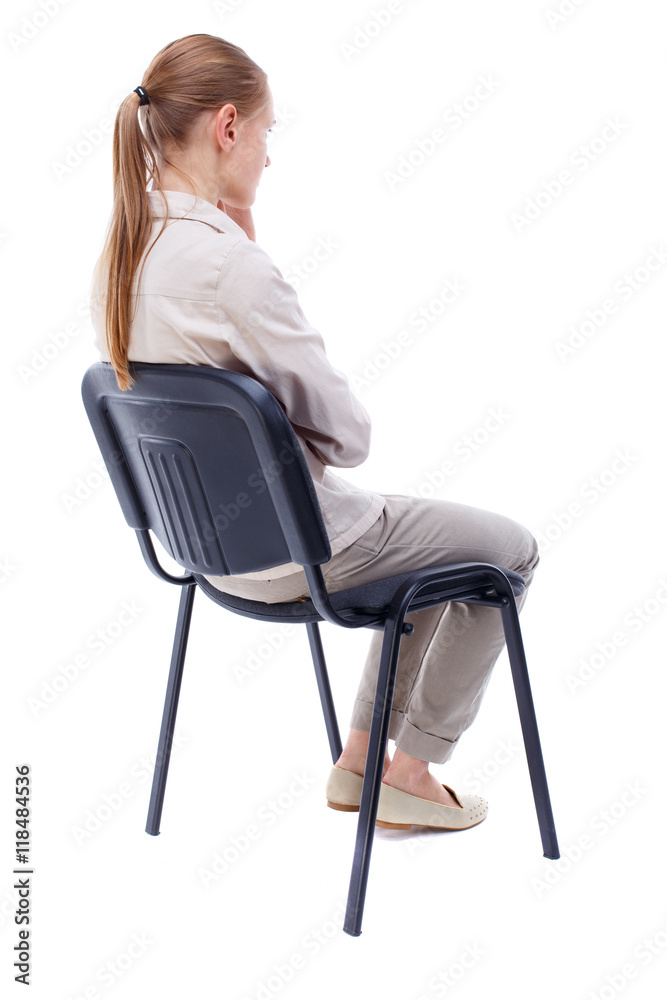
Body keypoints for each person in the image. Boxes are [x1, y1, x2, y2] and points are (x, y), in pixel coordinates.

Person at [90, 33, 539, 833]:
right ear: (227, 127)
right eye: (266, 134)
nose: (267, 156)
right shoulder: (228, 266)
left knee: (434, 550)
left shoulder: (119, 256)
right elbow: (346, 436)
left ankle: (360, 762)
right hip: (301, 554)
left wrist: (244, 243)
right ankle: (411, 769)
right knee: (505, 552)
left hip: (201, 557)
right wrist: (250, 260)